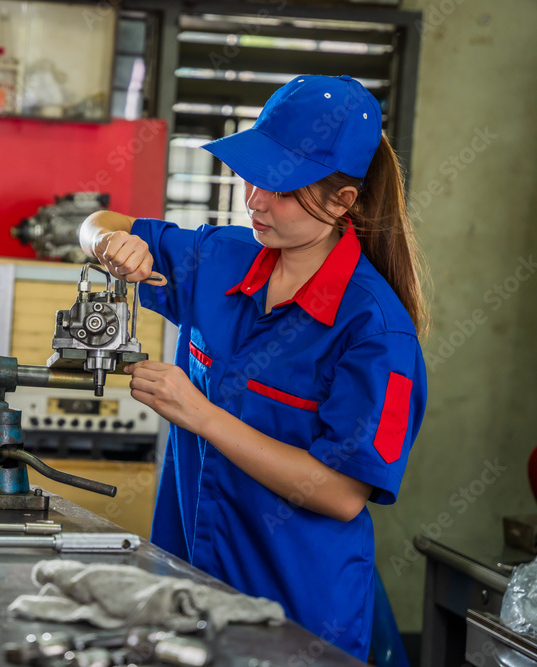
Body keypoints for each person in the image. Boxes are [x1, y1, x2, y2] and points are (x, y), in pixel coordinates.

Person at [79, 74, 428, 660]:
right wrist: (111, 249)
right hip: (189, 588)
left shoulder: (377, 333)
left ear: (344, 202)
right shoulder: (220, 262)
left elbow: (342, 492)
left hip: (297, 618)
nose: (255, 200)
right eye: (252, 175)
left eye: (282, 188)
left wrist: (202, 415)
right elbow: (99, 222)